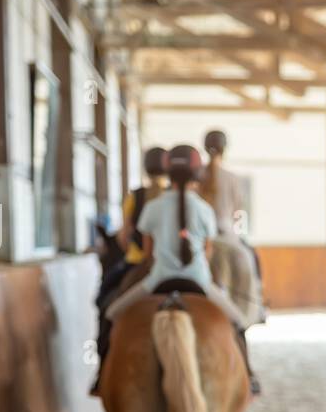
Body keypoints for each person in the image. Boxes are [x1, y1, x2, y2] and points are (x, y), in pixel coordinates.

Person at [102, 144, 260, 393]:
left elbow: (149, 253)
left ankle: (102, 375)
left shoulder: (153, 208)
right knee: (238, 322)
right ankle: (249, 377)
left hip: (157, 281)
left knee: (111, 314)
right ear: (196, 176)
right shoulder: (205, 210)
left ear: (169, 175)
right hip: (199, 282)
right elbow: (207, 252)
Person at [91, 146, 167, 396]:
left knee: (104, 302)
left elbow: (124, 236)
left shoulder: (135, 196)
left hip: (137, 263)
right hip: (171, 265)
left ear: (146, 167)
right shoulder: (173, 195)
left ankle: (102, 371)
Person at [201, 129, 265, 326]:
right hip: (227, 236)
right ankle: (258, 306)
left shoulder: (198, 176)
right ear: (224, 149)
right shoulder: (232, 178)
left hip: (203, 238)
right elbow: (237, 211)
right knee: (252, 259)